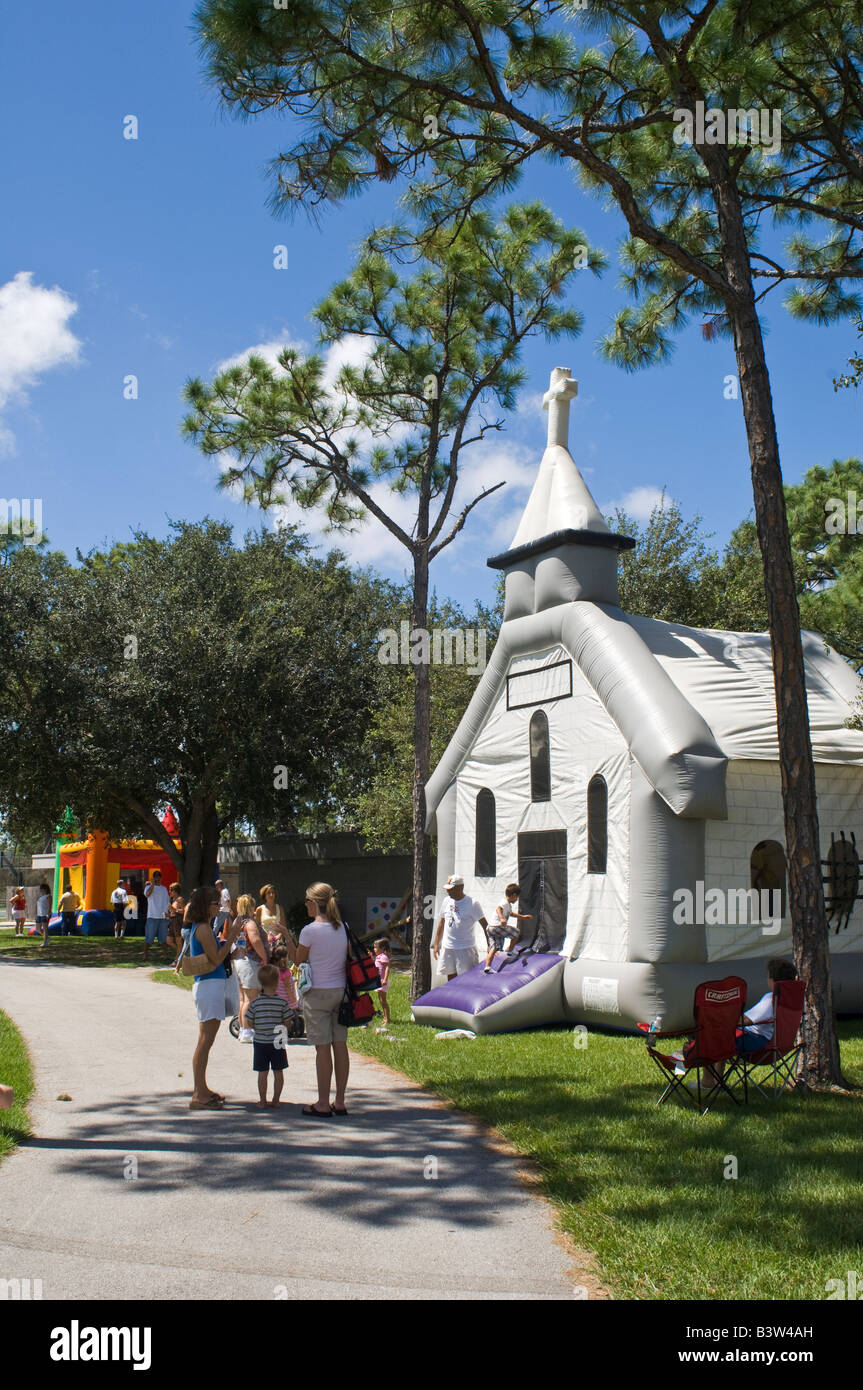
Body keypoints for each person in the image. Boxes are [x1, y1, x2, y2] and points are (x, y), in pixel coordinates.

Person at [295, 881, 349, 1117]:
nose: (305, 905)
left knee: (322, 1048)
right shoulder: (343, 927)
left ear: (314, 904)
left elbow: (298, 960)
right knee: (340, 1045)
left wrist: (287, 937)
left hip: (317, 993)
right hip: (341, 991)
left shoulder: (309, 931)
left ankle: (323, 1103)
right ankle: (340, 1101)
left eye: (307, 901)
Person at [187, 884, 242, 1110]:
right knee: (204, 1042)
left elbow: (216, 955)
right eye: (215, 903)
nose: (218, 907)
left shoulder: (204, 927)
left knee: (206, 1041)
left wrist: (228, 947)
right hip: (208, 987)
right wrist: (232, 937)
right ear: (204, 905)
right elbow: (216, 958)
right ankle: (199, 1093)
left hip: (211, 985)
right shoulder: (202, 928)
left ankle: (202, 1088)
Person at [245, 964, 294, 1108]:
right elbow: (287, 1021)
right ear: (277, 981)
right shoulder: (282, 1003)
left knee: (262, 1072)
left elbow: (249, 1021)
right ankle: (276, 1099)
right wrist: (284, 1026)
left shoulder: (255, 1003)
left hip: (260, 1042)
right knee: (278, 1071)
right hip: (277, 1042)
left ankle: (262, 1100)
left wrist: (258, 1027)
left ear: (260, 982)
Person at [432, 875, 489, 980]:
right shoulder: (446, 901)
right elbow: (442, 922)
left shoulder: (472, 903)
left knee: (467, 979)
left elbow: (485, 926)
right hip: (448, 947)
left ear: (459, 888)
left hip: (465, 948)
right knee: (451, 977)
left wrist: (490, 944)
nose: (448, 892)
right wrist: (436, 944)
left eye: (450, 889)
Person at [233, 893, 271, 1043]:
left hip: (239, 961)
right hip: (250, 962)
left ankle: (243, 1029)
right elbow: (255, 940)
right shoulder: (250, 923)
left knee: (243, 998)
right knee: (251, 998)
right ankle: (248, 1031)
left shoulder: (238, 922)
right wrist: (264, 957)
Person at [738, 958, 798, 1053]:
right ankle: (716, 1068)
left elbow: (744, 1021)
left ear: (772, 979)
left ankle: (712, 1068)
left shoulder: (771, 998)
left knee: (716, 1039)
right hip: (782, 1045)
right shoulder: (792, 1000)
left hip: (759, 1042)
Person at [484, 882, 531, 972]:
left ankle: (487, 967)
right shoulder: (504, 903)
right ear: (514, 895)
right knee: (516, 932)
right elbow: (498, 909)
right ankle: (510, 950)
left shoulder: (507, 905)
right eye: (517, 897)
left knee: (494, 948)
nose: (517, 899)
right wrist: (501, 918)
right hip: (496, 926)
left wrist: (523, 917)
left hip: (490, 928)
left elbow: (511, 914)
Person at [143, 871, 171, 957]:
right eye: (156, 877)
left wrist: (168, 913)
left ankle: (165, 954)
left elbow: (167, 902)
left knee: (163, 938)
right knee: (149, 938)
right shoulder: (148, 887)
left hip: (163, 917)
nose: (158, 879)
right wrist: (152, 884)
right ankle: (145, 954)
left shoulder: (164, 888)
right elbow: (147, 894)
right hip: (152, 916)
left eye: (159, 877)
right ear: (153, 878)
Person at [271, 938, 300, 1012]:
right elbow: (288, 988)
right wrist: (294, 1000)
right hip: (287, 1003)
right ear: (285, 957)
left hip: (277, 1001)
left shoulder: (273, 969)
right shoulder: (285, 972)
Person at [374, 937, 391, 1029]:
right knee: (381, 1001)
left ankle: (387, 1019)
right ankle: (385, 1018)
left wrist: (385, 979)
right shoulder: (379, 957)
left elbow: (387, 968)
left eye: (376, 947)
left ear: (382, 948)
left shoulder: (384, 957)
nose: (374, 949)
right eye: (374, 947)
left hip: (383, 981)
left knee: (383, 1001)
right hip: (379, 982)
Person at [167, 884, 185, 954]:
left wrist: (174, 910)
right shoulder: (173, 900)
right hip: (172, 921)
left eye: (171, 890)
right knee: (168, 940)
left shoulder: (180, 899)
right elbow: (174, 912)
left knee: (178, 941)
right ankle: (182, 954)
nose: (169, 892)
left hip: (178, 921)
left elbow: (184, 911)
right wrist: (168, 915)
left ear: (175, 891)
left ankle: (179, 958)